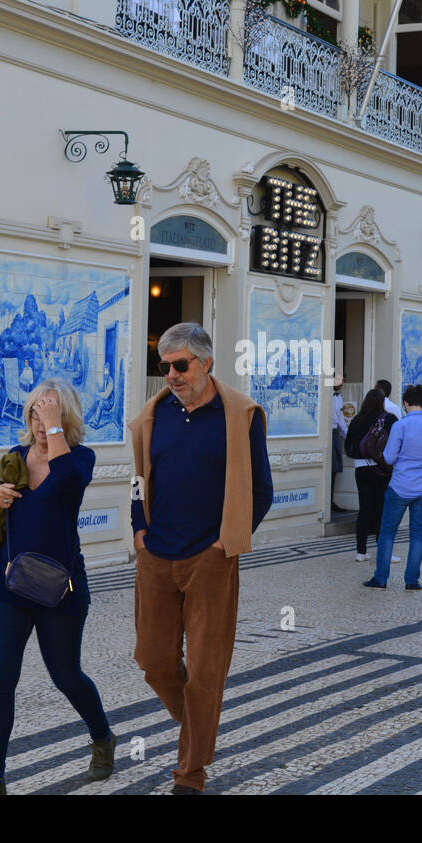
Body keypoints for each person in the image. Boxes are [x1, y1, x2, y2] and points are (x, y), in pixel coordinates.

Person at [128, 323, 273, 794]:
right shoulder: (153, 415)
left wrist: (224, 543)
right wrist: (138, 532)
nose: (171, 374)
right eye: (164, 365)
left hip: (210, 559)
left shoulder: (240, 415)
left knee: (206, 672)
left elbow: (262, 492)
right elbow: (138, 480)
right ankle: (198, 716)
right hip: (156, 557)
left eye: (181, 365)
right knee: (154, 662)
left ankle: (189, 775)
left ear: (207, 364)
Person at [0, 380, 115, 794]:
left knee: (66, 675)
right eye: (34, 412)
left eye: (48, 413)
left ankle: (102, 737)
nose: (38, 420)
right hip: (8, 586)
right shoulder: (14, 458)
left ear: (65, 419)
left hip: (59, 587)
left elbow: (66, 484)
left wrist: (53, 431)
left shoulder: (81, 458)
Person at [364, 384, 422, 590]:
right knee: (417, 535)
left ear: (405, 403)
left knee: (387, 533)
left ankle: (381, 578)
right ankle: (412, 580)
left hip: (400, 486)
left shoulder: (400, 426)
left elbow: (390, 457)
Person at [345, 388, 400, 563]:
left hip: (361, 470)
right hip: (382, 470)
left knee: (365, 510)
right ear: (382, 403)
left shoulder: (356, 420)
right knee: (383, 511)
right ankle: (385, 552)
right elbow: (397, 443)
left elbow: (349, 447)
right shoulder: (389, 419)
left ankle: (361, 552)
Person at [330, 372, 347, 512]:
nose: (341, 383)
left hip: (335, 433)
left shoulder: (338, 397)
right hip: (327, 432)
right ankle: (327, 501)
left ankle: (330, 500)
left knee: (334, 468)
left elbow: (341, 420)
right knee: (330, 468)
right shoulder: (327, 396)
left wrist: (348, 436)